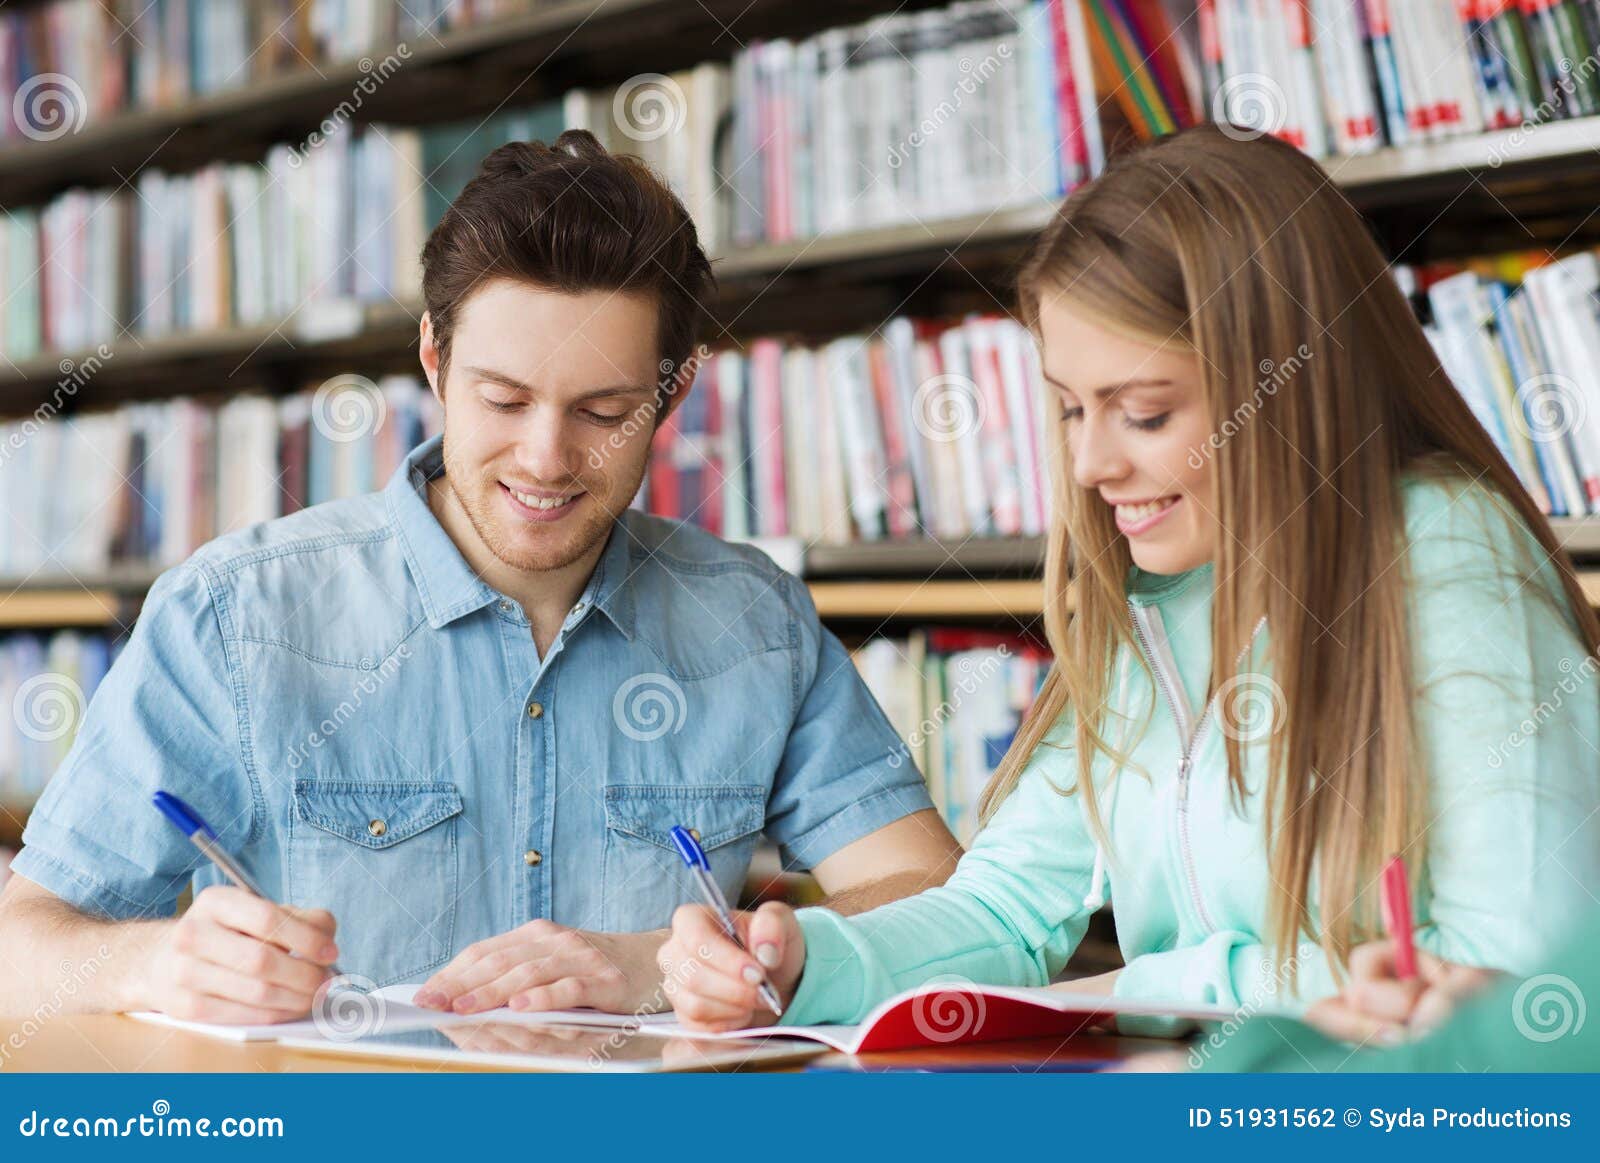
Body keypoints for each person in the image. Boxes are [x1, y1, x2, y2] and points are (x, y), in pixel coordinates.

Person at [0, 132, 961, 1026]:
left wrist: (672, 960)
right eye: (503, 399)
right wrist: (156, 963)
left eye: (604, 410)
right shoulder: (235, 613)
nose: (546, 459)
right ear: (434, 358)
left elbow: (944, 906)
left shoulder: (757, 622)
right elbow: (19, 947)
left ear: (673, 393)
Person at [657, 124, 1600, 1033]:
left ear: (1287, 385)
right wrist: (802, 958)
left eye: (1143, 413)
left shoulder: (1447, 555)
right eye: (1071, 410)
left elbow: (1515, 964)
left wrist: (1163, 980)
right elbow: (1011, 906)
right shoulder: (1147, 604)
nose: (1089, 464)